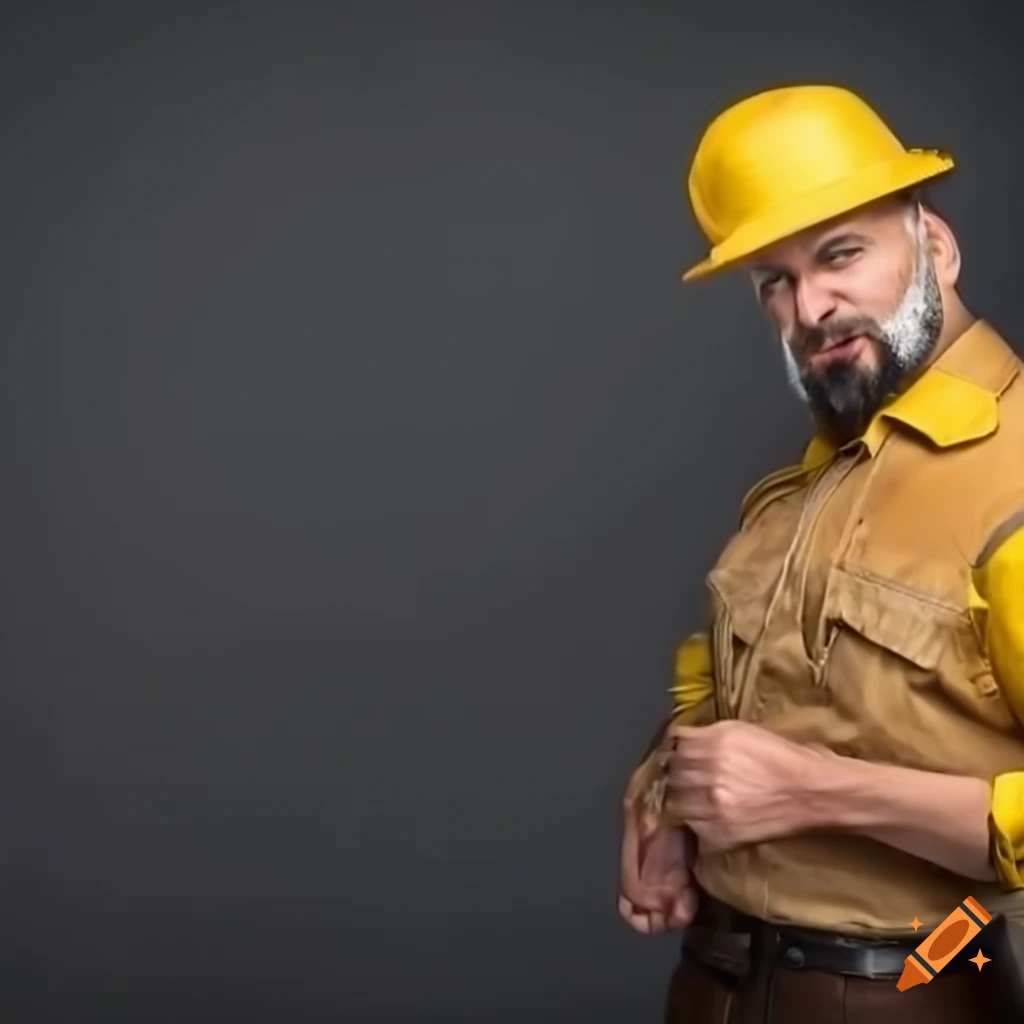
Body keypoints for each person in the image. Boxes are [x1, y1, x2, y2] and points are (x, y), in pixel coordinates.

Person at [618, 83, 1024, 1023]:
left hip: (914, 991)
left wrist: (813, 792)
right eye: (777, 280)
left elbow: (794, 769)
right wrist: (660, 803)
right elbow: (735, 704)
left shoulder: (1011, 481)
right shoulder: (800, 491)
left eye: (841, 254)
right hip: (716, 984)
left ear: (936, 246)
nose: (812, 306)